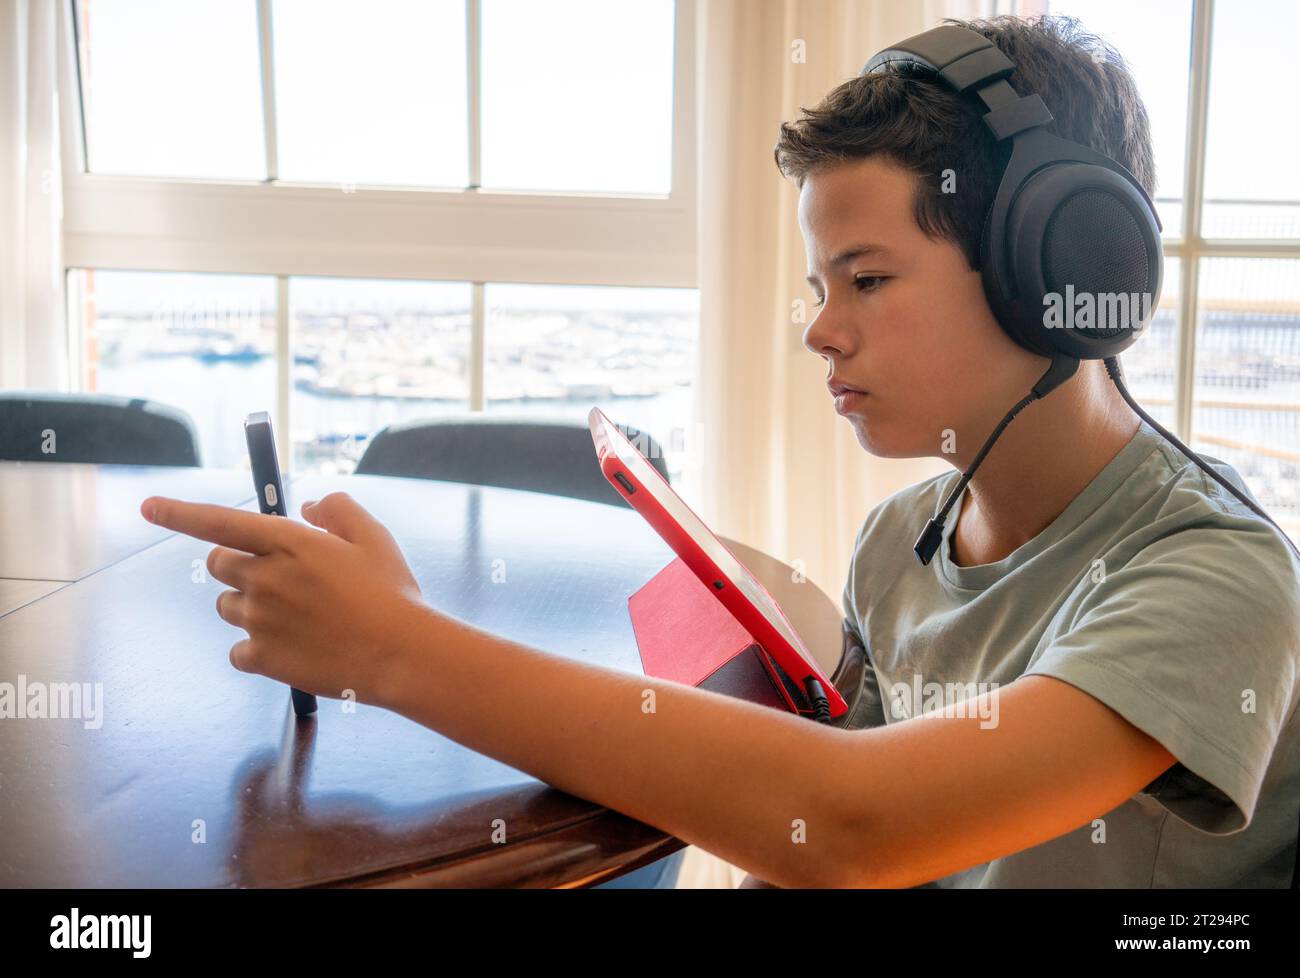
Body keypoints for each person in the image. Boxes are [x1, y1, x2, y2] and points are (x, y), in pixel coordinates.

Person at [140, 14, 1300, 887]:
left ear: (1060, 277)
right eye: (816, 285)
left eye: (868, 279)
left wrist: (397, 649)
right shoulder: (902, 539)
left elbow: (855, 825)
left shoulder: (1215, 576)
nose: (818, 328)